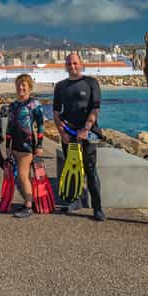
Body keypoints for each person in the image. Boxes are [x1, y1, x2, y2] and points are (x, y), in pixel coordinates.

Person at [53, 53, 105, 221]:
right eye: (69, 64)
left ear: (81, 64)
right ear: (65, 66)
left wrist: (86, 128)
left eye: (75, 63)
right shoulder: (60, 86)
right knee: (72, 168)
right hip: (68, 133)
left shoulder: (91, 83)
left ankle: (97, 208)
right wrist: (62, 132)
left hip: (87, 133)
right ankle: (74, 201)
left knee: (90, 170)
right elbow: (56, 112)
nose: (72, 66)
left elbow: (95, 108)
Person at [5, 74, 45, 218]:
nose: (20, 88)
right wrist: (7, 146)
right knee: (21, 176)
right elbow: (9, 127)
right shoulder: (13, 105)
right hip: (14, 144)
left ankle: (28, 206)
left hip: (27, 144)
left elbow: (40, 126)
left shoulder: (34, 104)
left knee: (22, 175)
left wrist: (39, 145)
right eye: (18, 85)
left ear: (29, 87)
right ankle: (29, 201)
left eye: (24, 85)